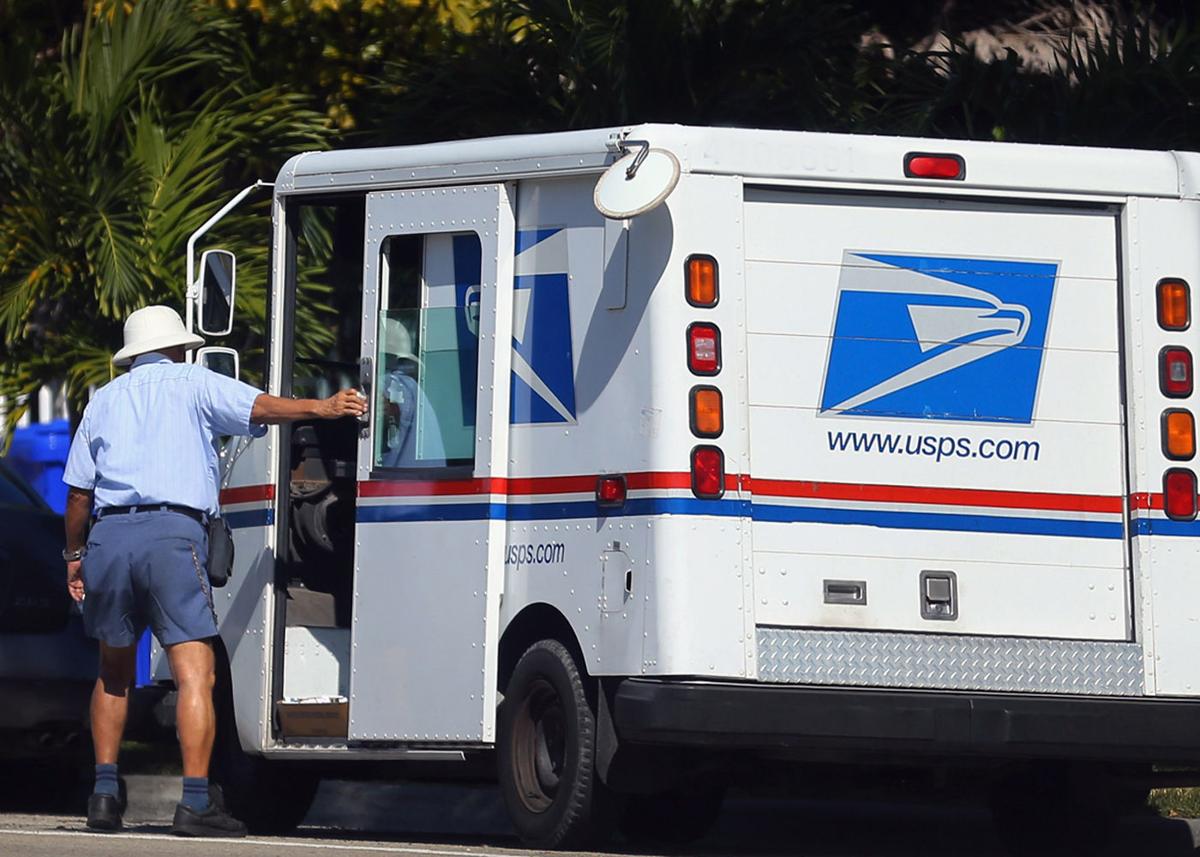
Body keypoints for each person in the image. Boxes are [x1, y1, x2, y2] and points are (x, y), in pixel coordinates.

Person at [62, 305, 366, 837]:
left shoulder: (103, 401)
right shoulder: (196, 382)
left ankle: (104, 796)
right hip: (171, 536)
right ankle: (196, 803)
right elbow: (264, 407)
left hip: (108, 537)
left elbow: (78, 496)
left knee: (113, 672)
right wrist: (325, 405)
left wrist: (73, 557)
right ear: (180, 347)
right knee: (195, 673)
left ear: (133, 354)